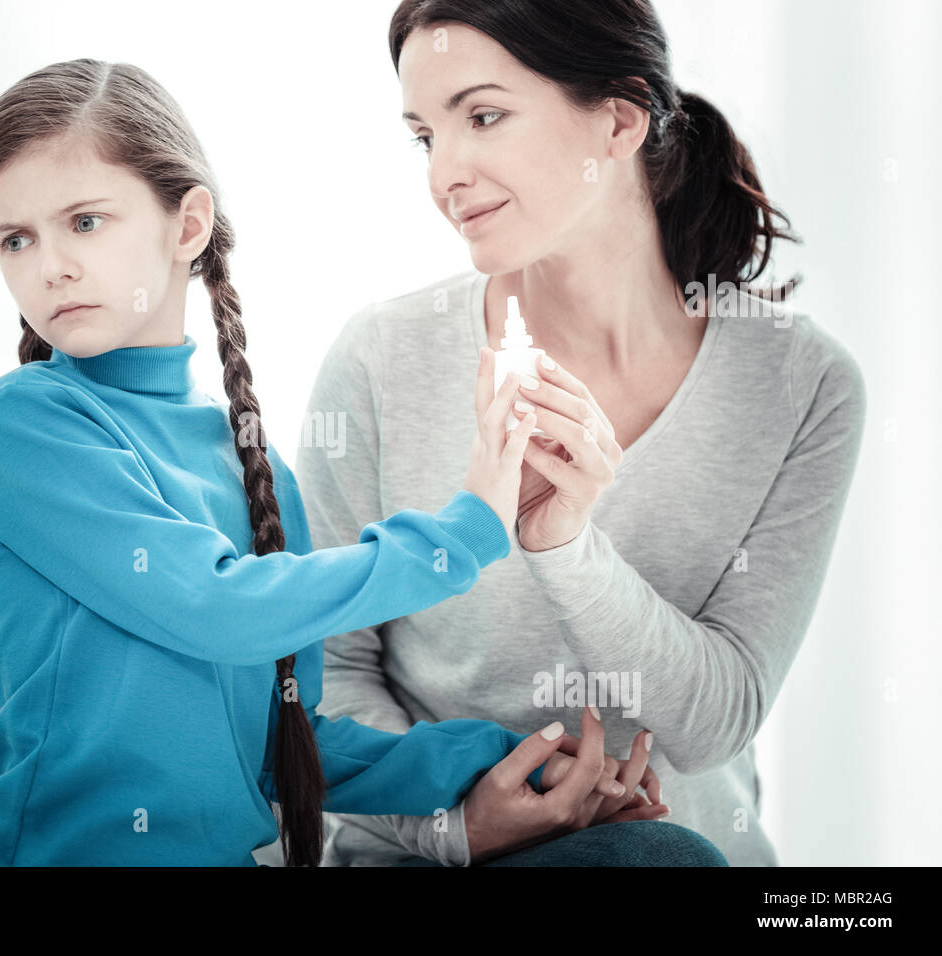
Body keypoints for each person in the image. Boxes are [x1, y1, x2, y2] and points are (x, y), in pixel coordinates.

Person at [0, 58, 725, 867]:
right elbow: (216, 607)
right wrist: (467, 529)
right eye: (15, 239)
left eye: (84, 222)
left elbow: (291, 744)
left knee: (657, 856)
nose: (50, 266)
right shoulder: (32, 422)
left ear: (187, 227)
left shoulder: (251, 466)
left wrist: (523, 759)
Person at [301, 0, 867, 867]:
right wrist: (456, 823)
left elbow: (716, 720)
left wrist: (565, 546)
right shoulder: (382, 359)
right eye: (424, 136)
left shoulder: (801, 385)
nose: (443, 173)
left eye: (482, 116)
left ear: (617, 119)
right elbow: (323, 681)